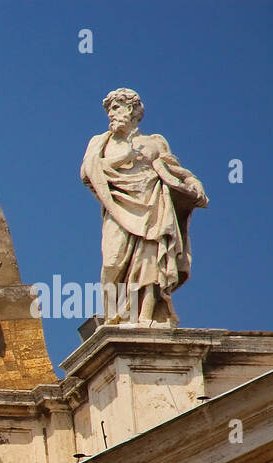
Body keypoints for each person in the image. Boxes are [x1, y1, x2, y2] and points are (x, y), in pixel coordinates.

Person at [80, 88, 207, 326]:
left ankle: (144, 317)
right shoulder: (100, 143)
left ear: (131, 109)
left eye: (116, 108)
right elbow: (88, 174)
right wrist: (125, 157)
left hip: (152, 207)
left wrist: (193, 182)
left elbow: (176, 170)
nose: (111, 114)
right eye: (109, 110)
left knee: (150, 262)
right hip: (117, 208)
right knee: (112, 263)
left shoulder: (154, 142)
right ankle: (113, 315)